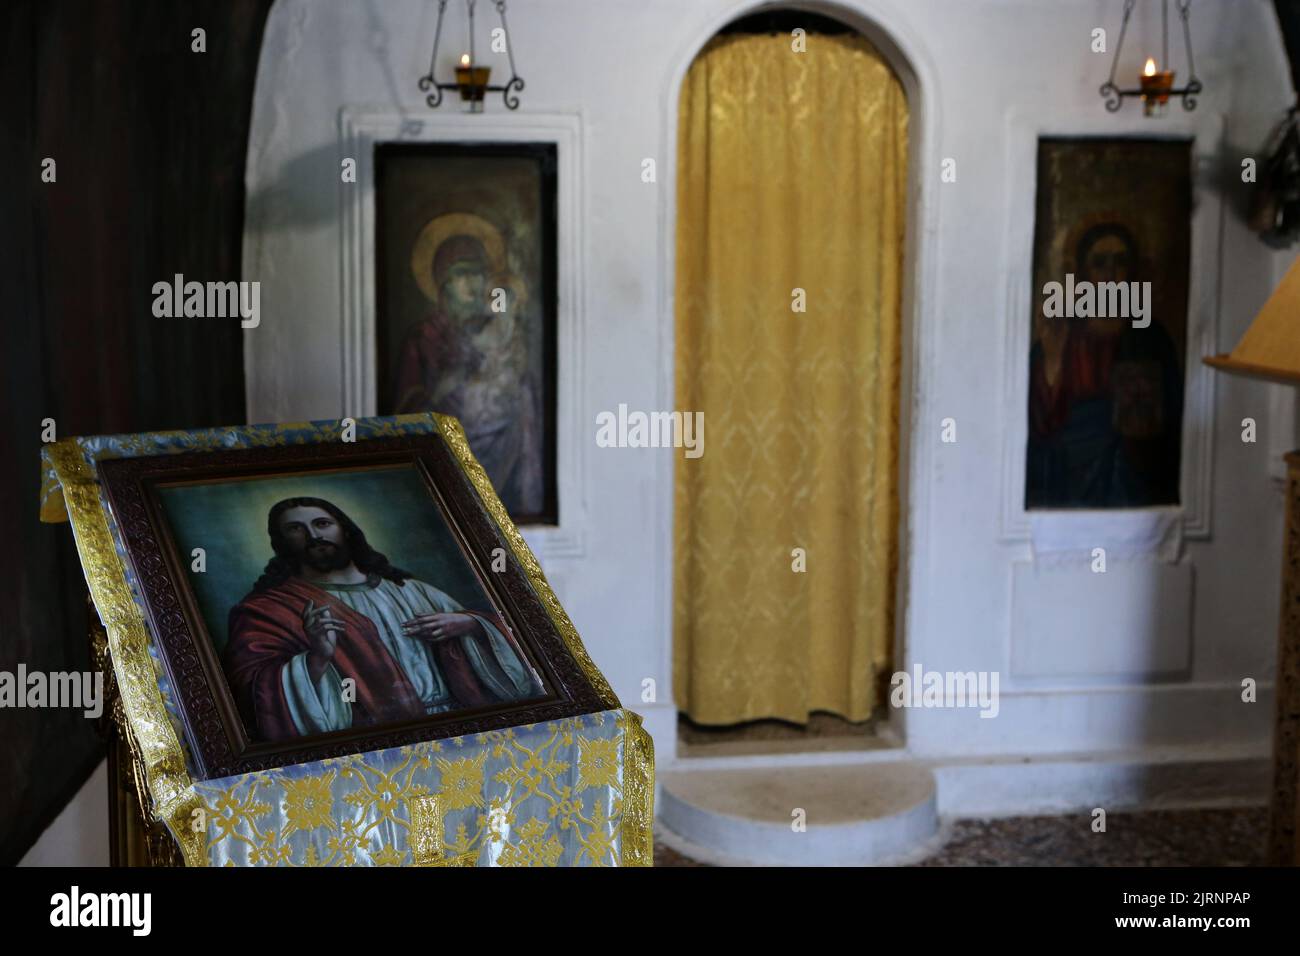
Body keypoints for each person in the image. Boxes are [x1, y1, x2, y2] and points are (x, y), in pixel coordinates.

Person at [223, 496, 540, 741]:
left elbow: (518, 659)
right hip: (370, 748)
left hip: (461, 733)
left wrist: (471, 625)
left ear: (344, 529)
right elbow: (256, 693)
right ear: (281, 543)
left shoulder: (412, 591)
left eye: (322, 524)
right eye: (295, 529)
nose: (312, 535)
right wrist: (316, 658)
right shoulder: (268, 610)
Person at [1026, 223, 1183, 508]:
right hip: (1071, 479)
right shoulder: (1061, 331)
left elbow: (1174, 421)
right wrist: (1053, 359)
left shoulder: (1152, 337)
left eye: (1120, 262)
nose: (1110, 274)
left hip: (1134, 477)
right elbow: (1039, 426)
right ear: (1083, 272)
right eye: (1099, 263)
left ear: (1133, 271)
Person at [393, 234, 544, 516]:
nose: (472, 283)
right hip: (446, 453)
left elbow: (524, 390)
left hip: (504, 446)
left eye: (478, 273)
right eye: (461, 274)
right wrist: (441, 390)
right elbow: (405, 411)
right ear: (443, 283)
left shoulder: (498, 330)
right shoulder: (423, 337)